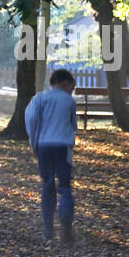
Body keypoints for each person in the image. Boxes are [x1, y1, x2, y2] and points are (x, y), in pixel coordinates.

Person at [25, 68, 77, 245]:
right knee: (65, 187)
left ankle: (48, 231)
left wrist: (33, 141)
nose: (72, 90)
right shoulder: (69, 101)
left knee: (47, 185)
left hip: (44, 146)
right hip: (63, 146)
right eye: (72, 86)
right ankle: (66, 225)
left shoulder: (39, 98)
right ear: (65, 83)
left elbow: (31, 119)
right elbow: (73, 125)